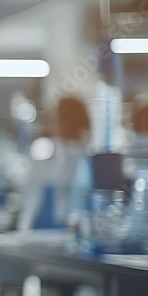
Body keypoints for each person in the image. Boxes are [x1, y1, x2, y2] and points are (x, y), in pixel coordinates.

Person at [18, 96, 91, 230]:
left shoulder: (49, 152)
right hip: (59, 226)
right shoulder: (86, 154)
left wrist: (24, 228)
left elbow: (30, 200)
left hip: (51, 228)